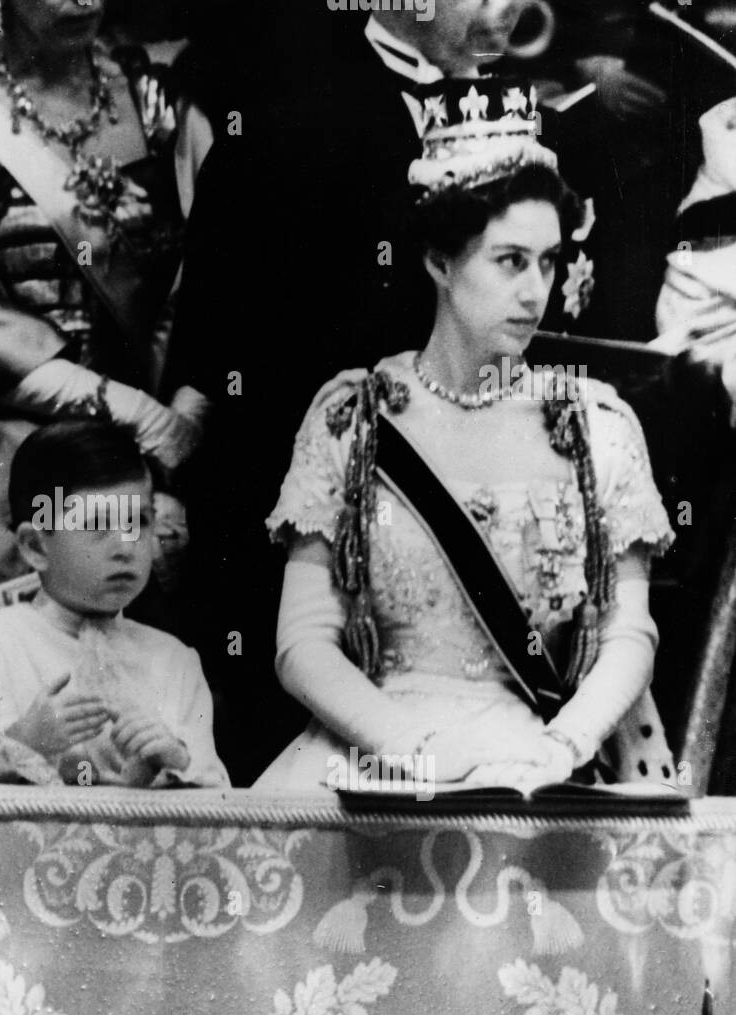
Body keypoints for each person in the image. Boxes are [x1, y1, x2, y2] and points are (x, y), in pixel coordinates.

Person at [254, 80, 675, 793]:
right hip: (372, 758)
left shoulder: (594, 427)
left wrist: (564, 744)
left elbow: (627, 635)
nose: (535, 291)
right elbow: (302, 645)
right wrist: (414, 749)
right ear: (440, 263)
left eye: (549, 261)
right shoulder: (353, 419)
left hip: (536, 759)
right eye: (510, 260)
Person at [169, 1, 529, 784]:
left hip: (480, 472)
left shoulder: (523, 115)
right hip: (312, 478)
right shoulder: (289, 108)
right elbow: (216, 314)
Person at [0, 0, 211, 621]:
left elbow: (220, 271)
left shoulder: (157, 101)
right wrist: (128, 411)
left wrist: (182, 423)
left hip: (177, 454)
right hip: (23, 463)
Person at [0, 421, 228, 788]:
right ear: (34, 546)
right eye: (98, 525)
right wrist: (19, 739)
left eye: (138, 522)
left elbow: (216, 786)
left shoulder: (174, 661)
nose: (125, 547)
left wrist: (177, 759)